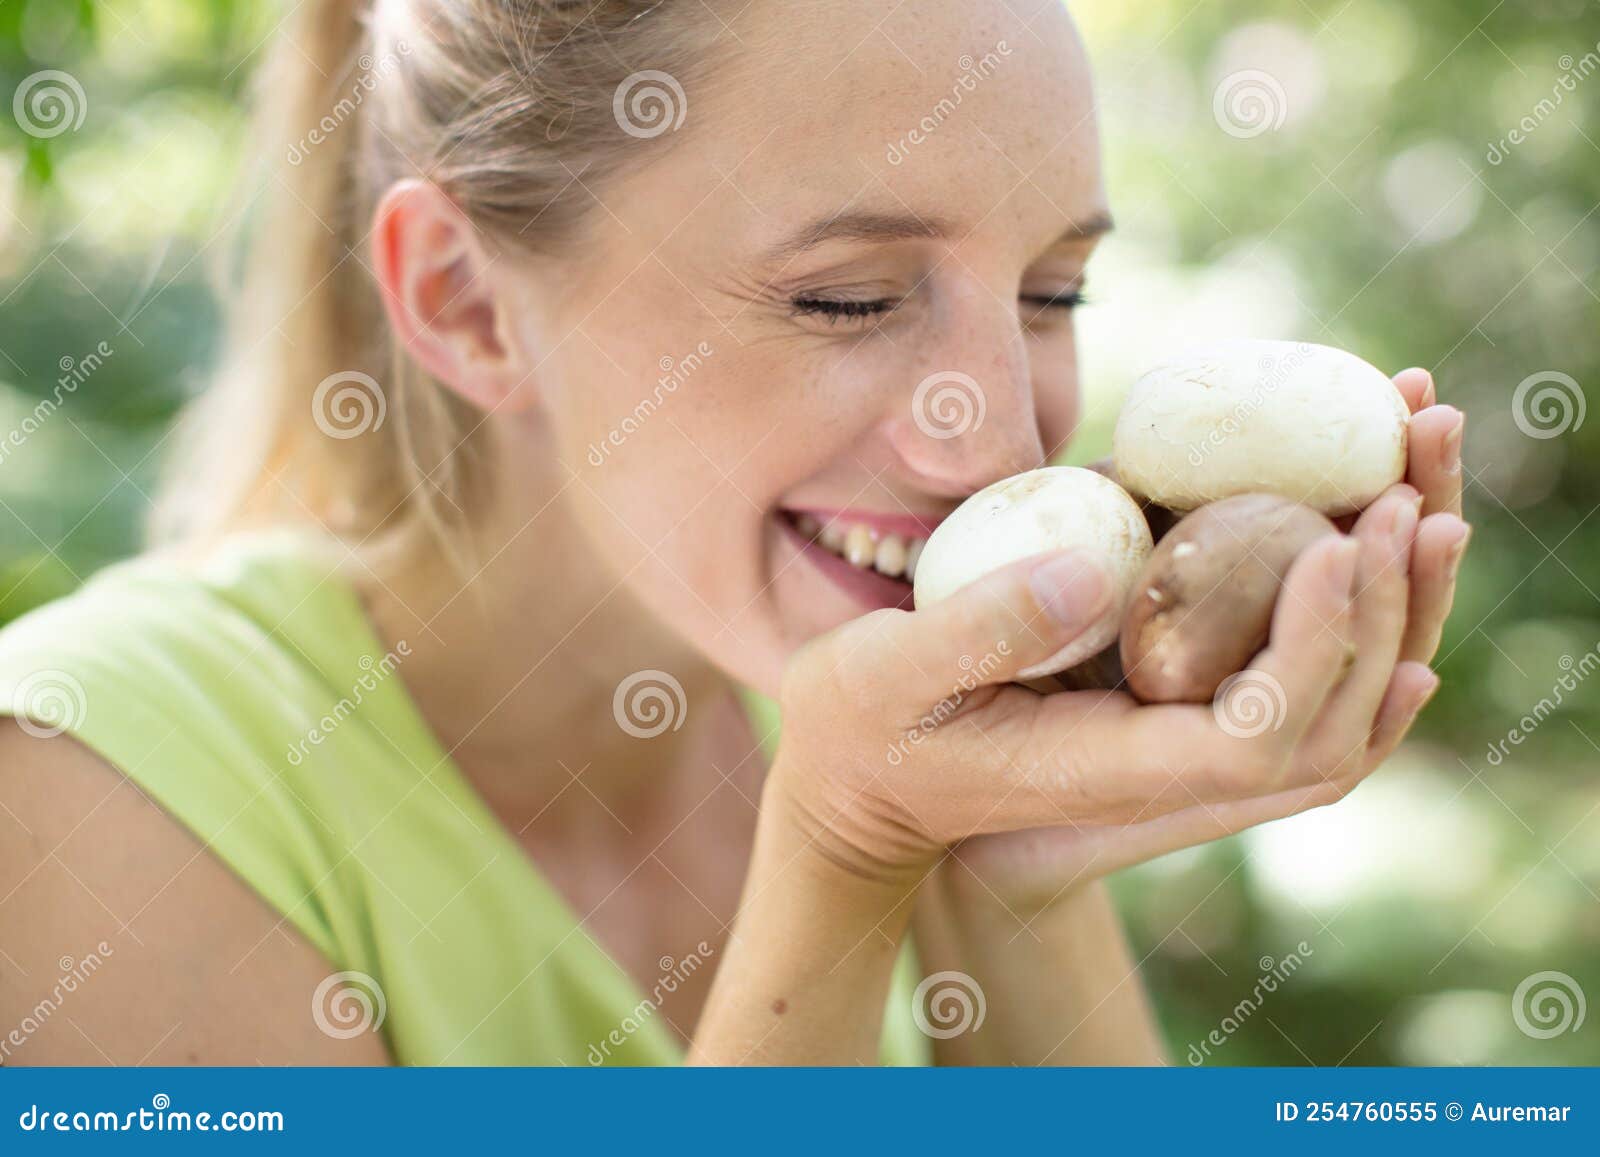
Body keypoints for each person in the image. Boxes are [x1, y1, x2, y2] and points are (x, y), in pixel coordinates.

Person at [0, 0, 1468, 1065]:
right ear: (461, 298)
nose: (1007, 436)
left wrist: (994, 861)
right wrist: (849, 851)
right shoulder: (73, 793)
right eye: (847, 297)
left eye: (1051, 292)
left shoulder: (827, 689)